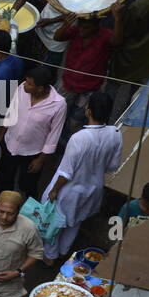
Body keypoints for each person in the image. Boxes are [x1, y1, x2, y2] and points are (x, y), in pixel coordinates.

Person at [41, 91, 122, 262]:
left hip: (69, 191)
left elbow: (65, 173)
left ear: (89, 111)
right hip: (93, 190)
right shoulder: (115, 133)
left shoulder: (79, 138)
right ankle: (64, 252)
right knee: (75, 223)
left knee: (55, 223)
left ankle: (50, 256)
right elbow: (113, 166)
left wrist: (55, 190)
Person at [0, 67, 66, 197]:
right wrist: (1, 137)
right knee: (3, 181)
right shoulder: (22, 89)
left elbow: (54, 135)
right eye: (26, 81)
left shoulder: (59, 104)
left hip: (32, 153)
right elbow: (10, 112)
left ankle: (29, 213)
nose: (25, 84)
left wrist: (41, 160)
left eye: (29, 84)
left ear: (40, 89)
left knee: (28, 185)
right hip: (10, 144)